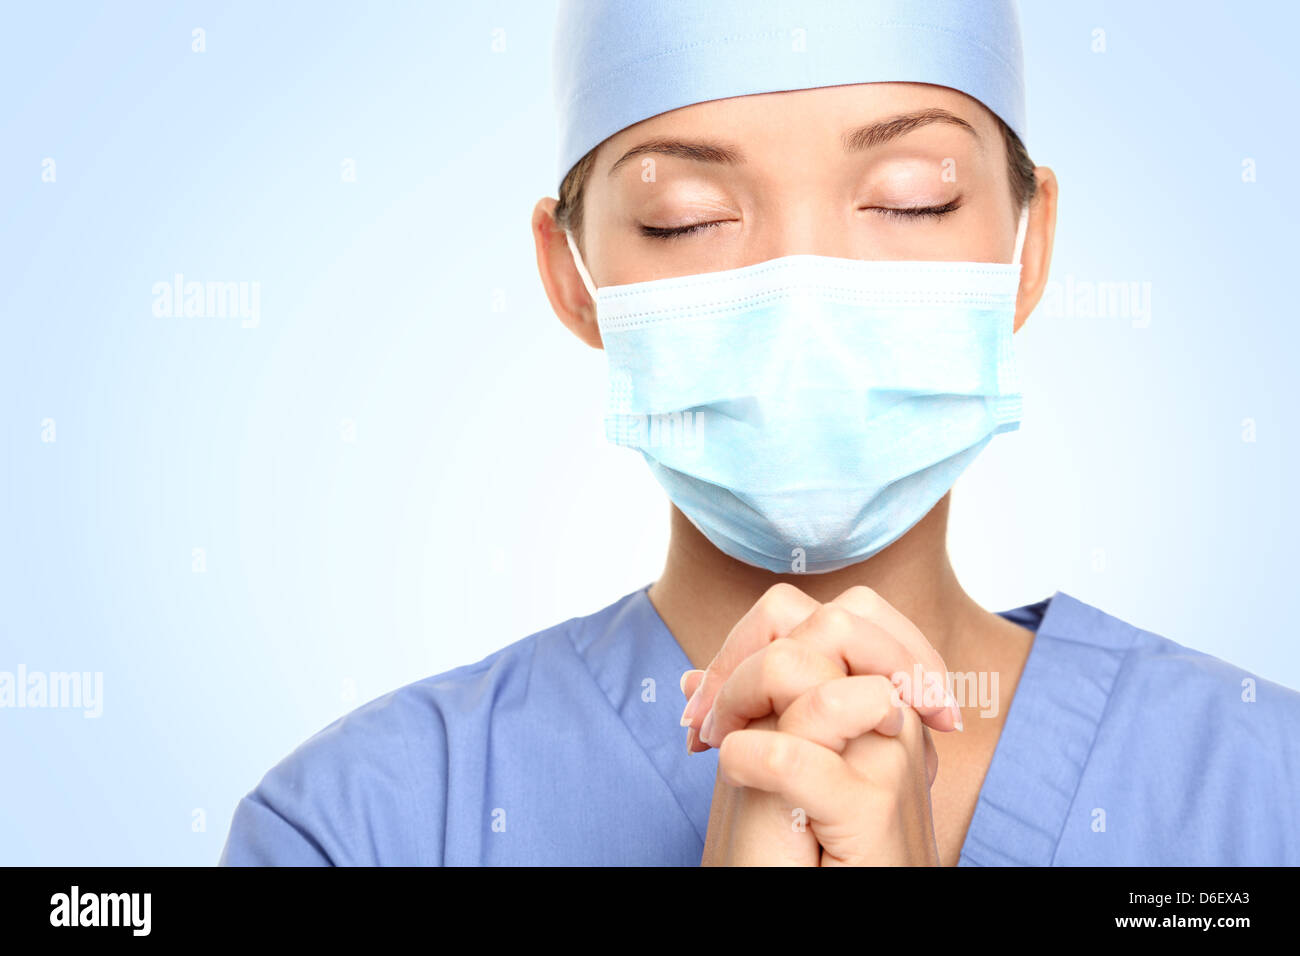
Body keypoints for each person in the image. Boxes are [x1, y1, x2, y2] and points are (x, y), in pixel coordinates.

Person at [220, 0, 1300, 866]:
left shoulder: (1261, 795)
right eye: (686, 216)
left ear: (1026, 250)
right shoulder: (362, 826)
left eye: (912, 198)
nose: (803, 303)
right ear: (572, 277)